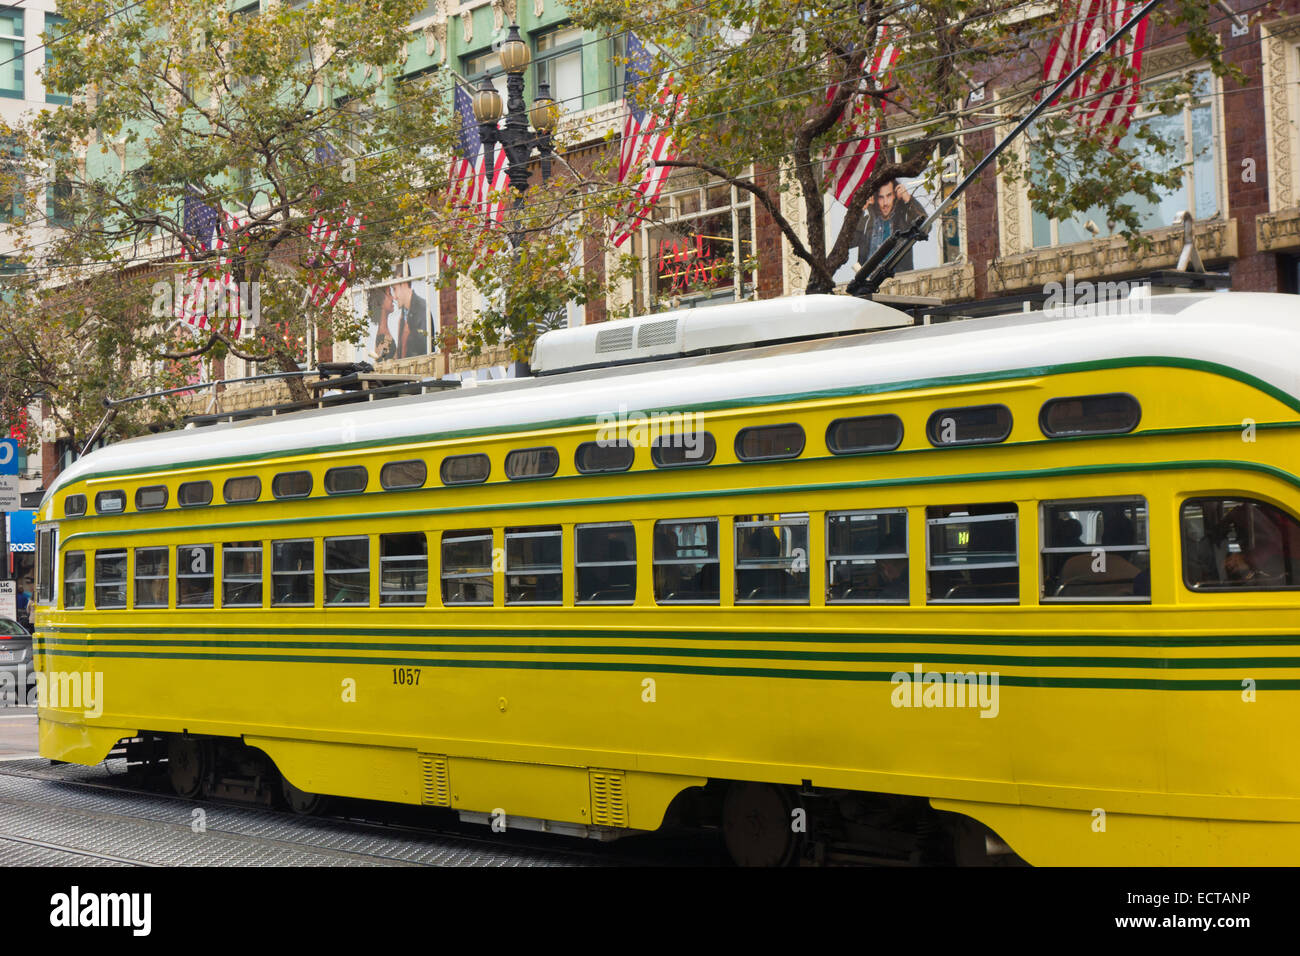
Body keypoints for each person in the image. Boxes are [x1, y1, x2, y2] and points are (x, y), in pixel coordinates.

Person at [855, 178, 928, 272]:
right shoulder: (867, 221)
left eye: (889, 195)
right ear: (875, 198)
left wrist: (908, 200)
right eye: (881, 197)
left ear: (895, 195)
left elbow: (926, 227)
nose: (885, 203)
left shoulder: (903, 220)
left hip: (897, 282)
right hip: (869, 284)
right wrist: (861, 210)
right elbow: (850, 242)